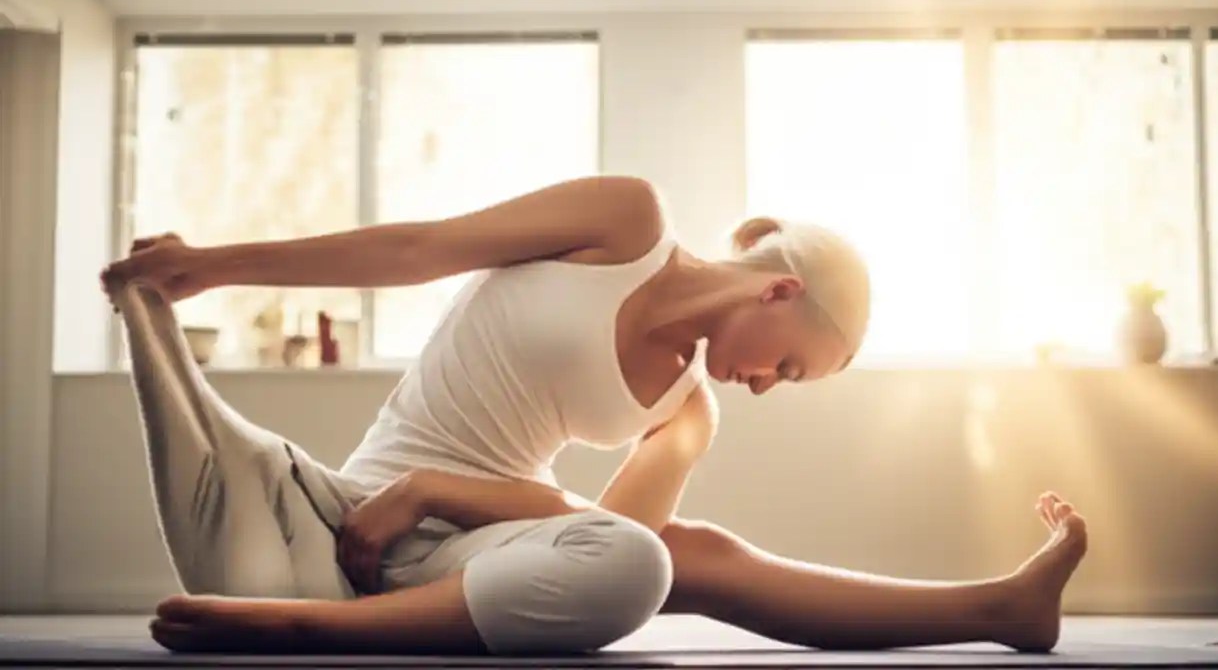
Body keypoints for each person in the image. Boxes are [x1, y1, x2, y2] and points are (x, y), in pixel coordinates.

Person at [100, 175, 1087, 656]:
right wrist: (214, 265)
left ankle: (995, 608)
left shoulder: (687, 412)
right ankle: (307, 605)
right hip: (326, 518)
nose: (765, 386)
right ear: (777, 293)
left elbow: (597, 541)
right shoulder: (623, 221)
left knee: (655, 555)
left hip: (454, 570)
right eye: (788, 367)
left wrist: (435, 491)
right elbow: (417, 249)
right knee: (189, 392)